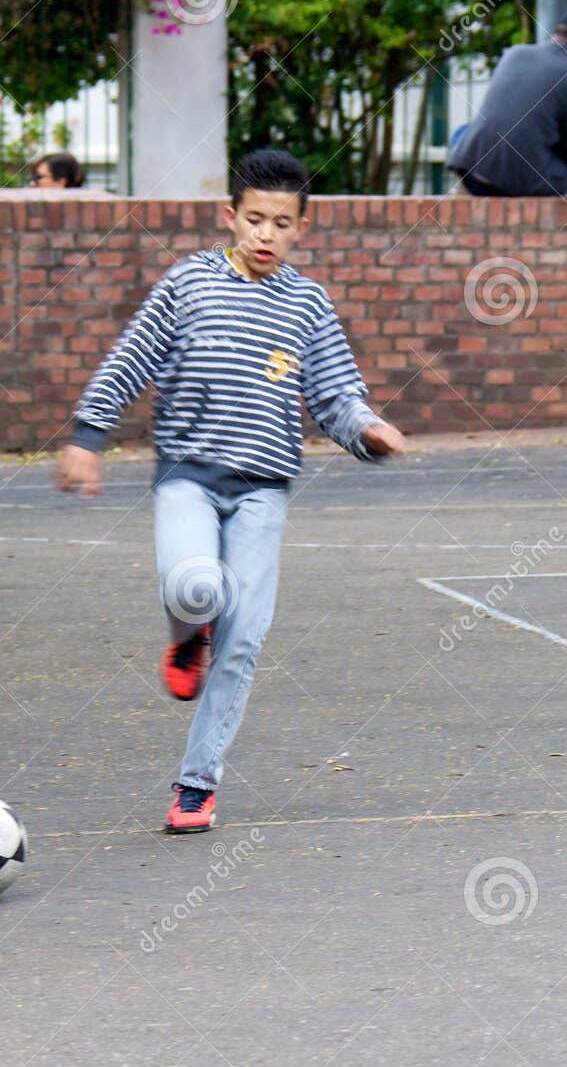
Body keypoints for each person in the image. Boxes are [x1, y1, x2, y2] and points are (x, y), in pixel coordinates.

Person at [54, 147, 407, 835]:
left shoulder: (306, 303)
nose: (265, 234)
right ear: (229, 217)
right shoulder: (188, 285)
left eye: (281, 222)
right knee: (195, 587)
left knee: (244, 639)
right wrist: (86, 436)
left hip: (263, 493)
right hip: (187, 477)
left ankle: (196, 784)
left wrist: (367, 429)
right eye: (253, 220)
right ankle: (187, 636)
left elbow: (336, 393)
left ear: (301, 226)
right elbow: (130, 360)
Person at [446, 10, 567, 197]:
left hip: (471, 172)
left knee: (464, 132)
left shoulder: (514, 54)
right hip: (524, 184)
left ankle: (462, 191)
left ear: (556, 37)